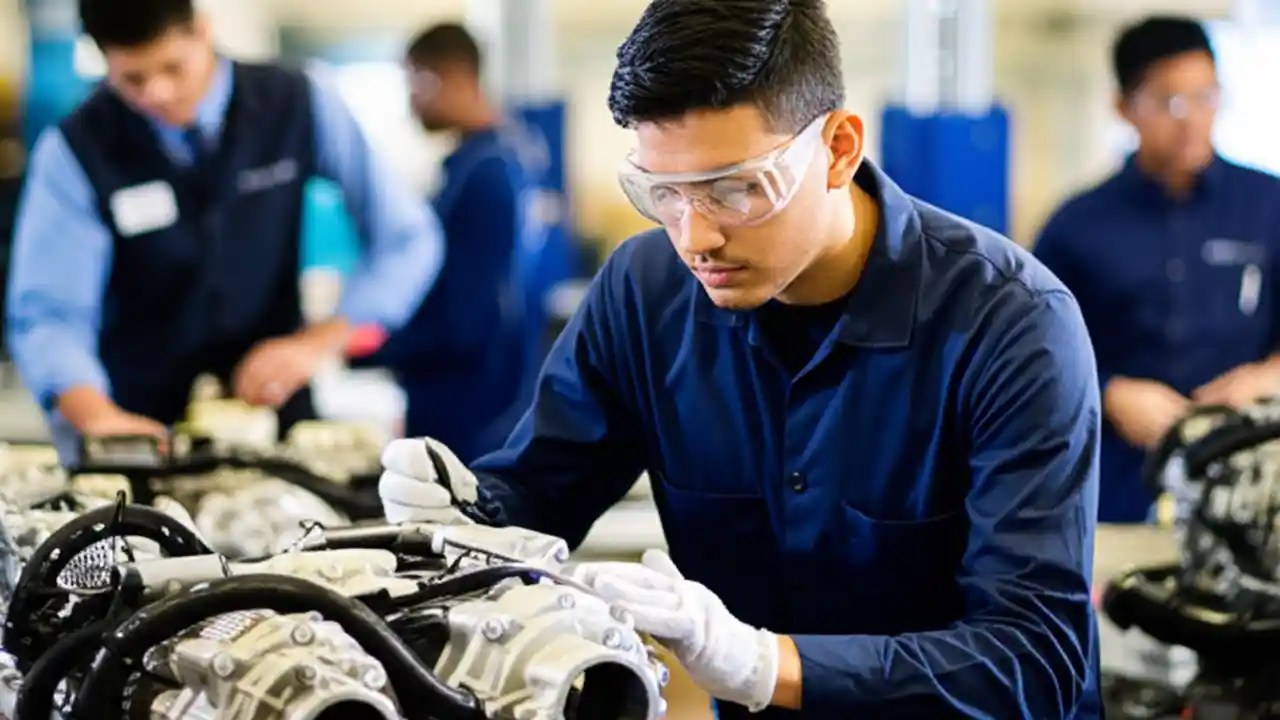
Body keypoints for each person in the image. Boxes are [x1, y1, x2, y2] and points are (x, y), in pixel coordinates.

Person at [379, 0, 1102, 717]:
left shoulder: (1011, 325)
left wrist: (763, 664)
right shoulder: (643, 292)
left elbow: (1032, 661)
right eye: (663, 192)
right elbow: (540, 495)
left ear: (840, 150)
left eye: (734, 190)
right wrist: (459, 516)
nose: (696, 237)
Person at [6, 0, 443, 463]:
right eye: (132, 78)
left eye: (173, 66)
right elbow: (50, 313)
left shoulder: (297, 103)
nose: (157, 91)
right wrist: (96, 416)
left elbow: (406, 240)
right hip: (140, 430)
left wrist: (317, 342)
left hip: (274, 425)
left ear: (203, 32)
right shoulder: (76, 150)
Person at [1034, 16, 1280, 523]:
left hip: (1249, 473)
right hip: (1114, 480)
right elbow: (1031, 353)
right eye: (1170, 102)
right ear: (1124, 107)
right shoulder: (1077, 226)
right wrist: (1107, 393)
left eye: (1206, 96)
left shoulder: (1268, 206)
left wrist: (1267, 375)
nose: (1192, 119)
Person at [369, 23, 544, 464]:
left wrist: (374, 346)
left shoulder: (488, 172)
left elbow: (466, 315)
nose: (411, 100)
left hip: (469, 404)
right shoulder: (487, 159)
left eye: (416, 81)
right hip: (464, 392)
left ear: (451, 76)